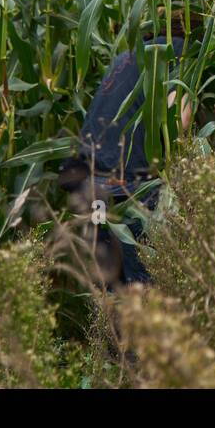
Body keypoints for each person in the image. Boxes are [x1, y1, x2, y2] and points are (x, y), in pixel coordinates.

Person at [59, 20, 197, 284]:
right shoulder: (179, 52)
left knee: (110, 289)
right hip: (131, 185)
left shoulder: (127, 56)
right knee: (143, 288)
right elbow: (179, 118)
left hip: (89, 183)